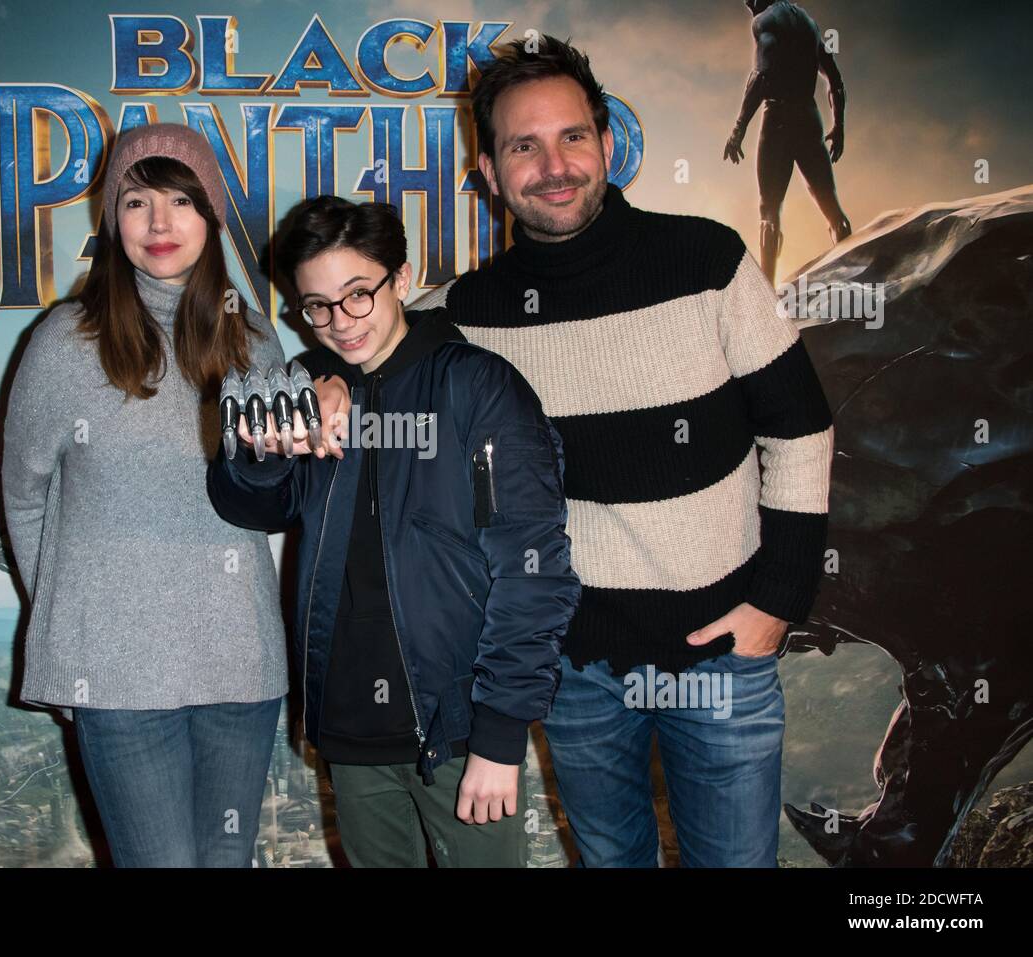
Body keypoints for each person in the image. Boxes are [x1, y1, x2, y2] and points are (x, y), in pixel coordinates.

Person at [317, 35, 836, 867]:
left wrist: (779, 599)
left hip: (724, 656)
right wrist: (322, 382)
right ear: (488, 171)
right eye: (524, 145)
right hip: (578, 672)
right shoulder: (469, 314)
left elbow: (801, 430)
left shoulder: (708, 260)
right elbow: (358, 333)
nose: (553, 165)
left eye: (572, 137)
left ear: (606, 144)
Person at [207, 195, 580, 867]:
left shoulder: (479, 385)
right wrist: (264, 451)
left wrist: (499, 734)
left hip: (461, 729)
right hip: (348, 728)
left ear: (401, 278)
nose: (338, 322)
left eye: (357, 295)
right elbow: (253, 506)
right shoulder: (310, 389)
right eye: (315, 305)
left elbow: (536, 567)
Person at [1, 123, 327, 867]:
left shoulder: (255, 343)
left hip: (239, 663)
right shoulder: (65, 342)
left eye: (181, 200)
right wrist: (63, 629)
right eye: (136, 200)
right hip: (115, 670)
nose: (158, 223)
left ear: (211, 216)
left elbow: (269, 504)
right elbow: (23, 496)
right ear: (111, 218)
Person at [723, 0, 852, 284]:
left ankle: (768, 291)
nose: (748, 7)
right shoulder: (808, 22)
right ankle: (851, 280)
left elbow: (762, 75)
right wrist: (838, 124)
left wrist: (738, 128)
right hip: (809, 116)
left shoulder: (765, 20)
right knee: (831, 206)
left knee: (769, 209)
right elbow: (835, 79)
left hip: (778, 117)